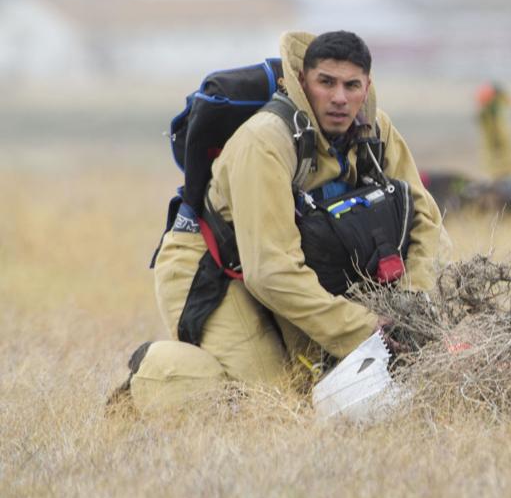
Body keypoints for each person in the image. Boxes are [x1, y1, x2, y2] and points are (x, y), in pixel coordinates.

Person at [122, 30, 449, 412]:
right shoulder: (264, 142)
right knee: (278, 405)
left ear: (367, 86)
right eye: (326, 82)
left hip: (301, 266)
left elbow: (426, 220)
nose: (339, 98)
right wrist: (368, 331)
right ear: (301, 82)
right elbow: (271, 271)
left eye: (351, 85)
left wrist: (413, 303)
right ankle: (149, 380)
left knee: (326, 384)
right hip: (216, 271)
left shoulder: (377, 130)